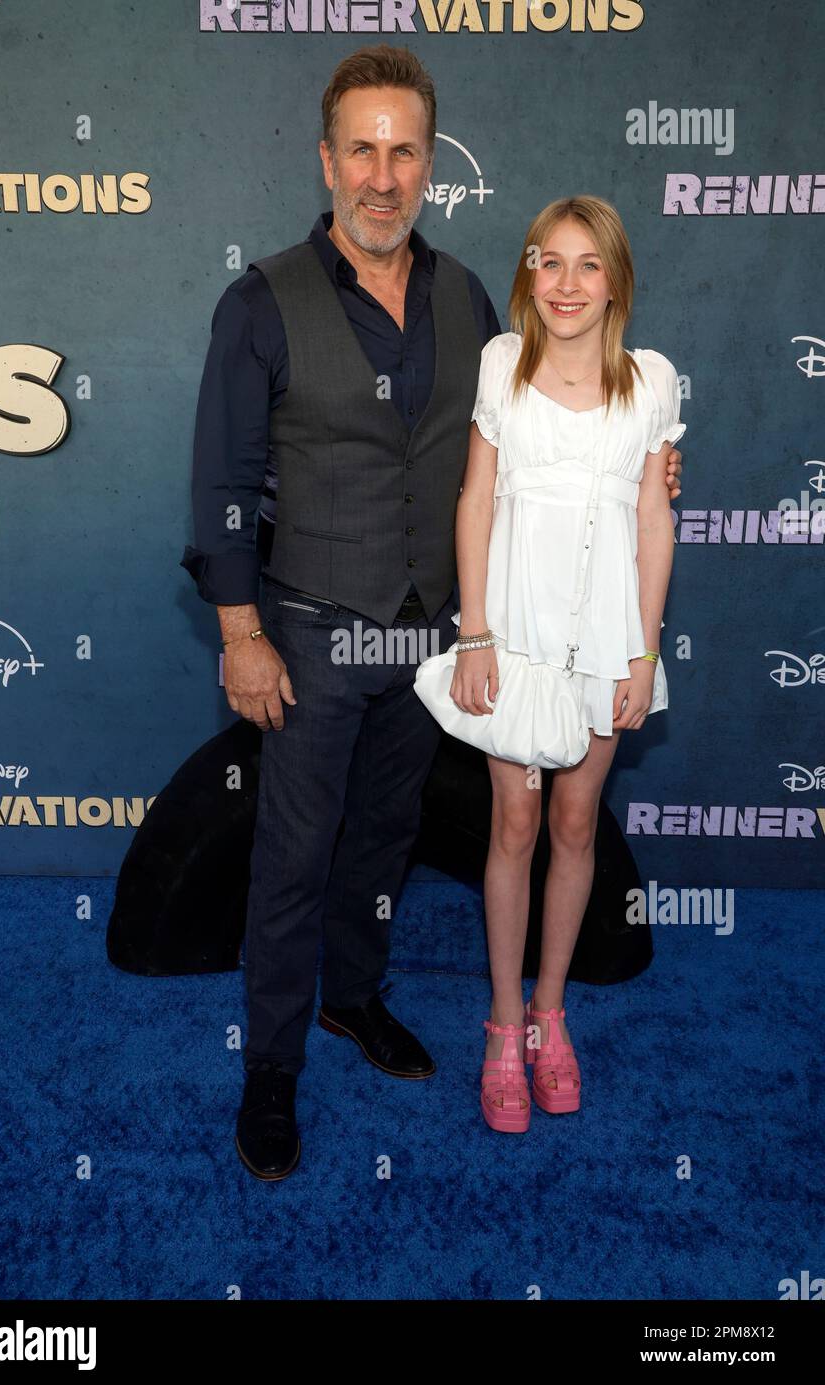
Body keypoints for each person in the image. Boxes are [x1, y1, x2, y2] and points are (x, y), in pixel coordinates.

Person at [180, 47, 685, 1179]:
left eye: (403, 149)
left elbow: (548, 438)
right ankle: (269, 1071)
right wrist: (240, 634)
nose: (381, 172)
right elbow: (220, 478)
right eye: (360, 147)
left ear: (428, 167)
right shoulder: (261, 300)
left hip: (434, 635)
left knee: (383, 839)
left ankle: (355, 1001)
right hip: (307, 625)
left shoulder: (469, 304)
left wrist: (647, 467)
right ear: (327, 159)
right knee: (293, 855)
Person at [441, 196, 685, 1132]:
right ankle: (503, 1023)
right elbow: (475, 500)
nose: (568, 284)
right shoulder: (502, 367)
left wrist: (643, 652)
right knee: (514, 820)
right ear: (528, 275)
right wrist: (474, 634)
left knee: (577, 825)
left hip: (608, 641)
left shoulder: (651, 383)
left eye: (590, 266)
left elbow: (654, 519)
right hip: (513, 633)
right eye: (551, 263)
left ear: (616, 280)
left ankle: (551, 1012)